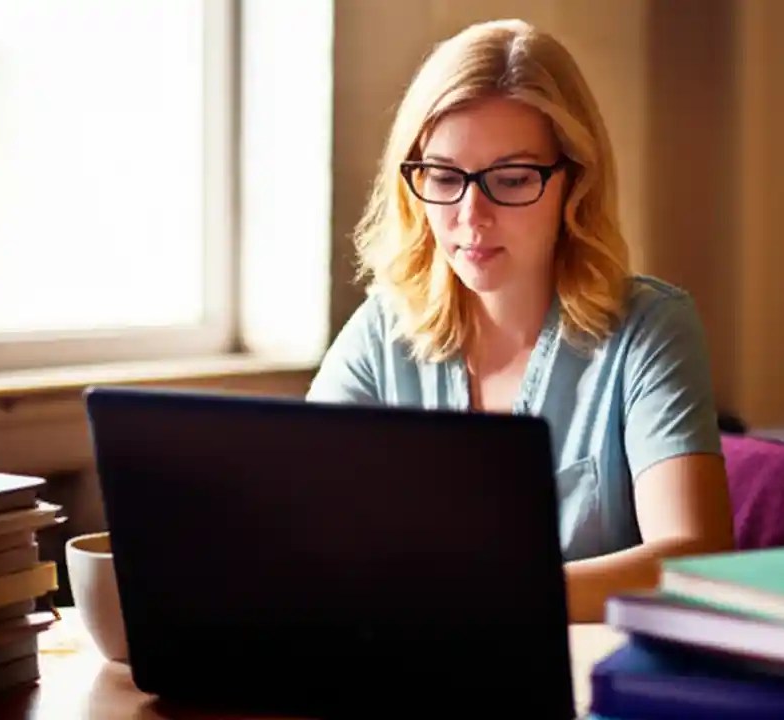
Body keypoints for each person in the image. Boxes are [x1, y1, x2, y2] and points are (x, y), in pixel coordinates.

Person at [307, 18, 735, 623]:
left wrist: (486, 599)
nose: (470, 216)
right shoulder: (383, 329)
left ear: (574, 185)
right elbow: (296, 523)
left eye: (511, 180)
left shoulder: (650, 329)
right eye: (445, 177)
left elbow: (698, 559)